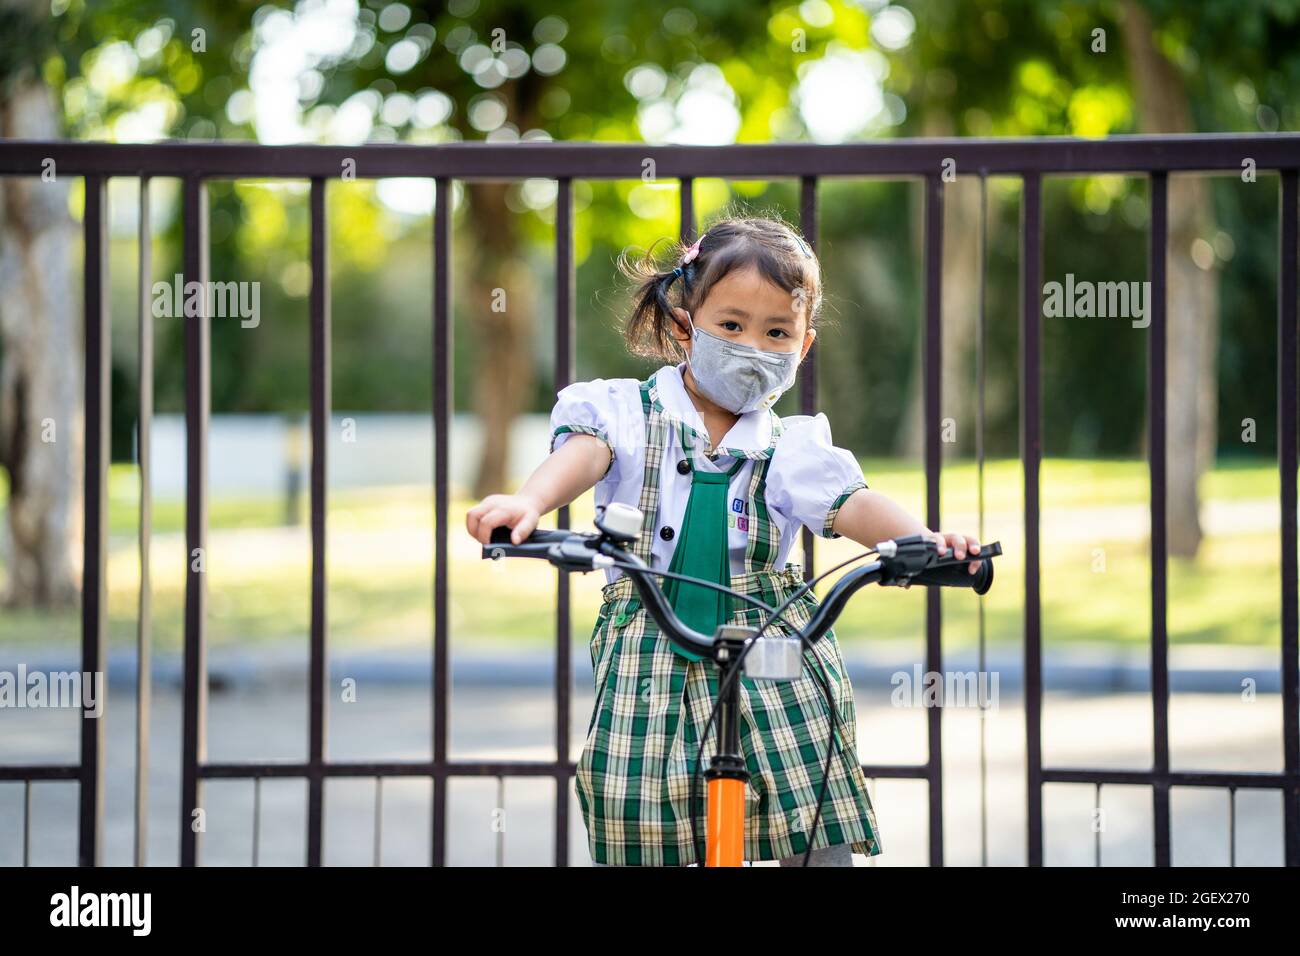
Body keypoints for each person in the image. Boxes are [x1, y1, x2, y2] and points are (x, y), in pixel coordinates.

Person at [466, 215, 982, 867]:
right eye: (731, 326)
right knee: (641, 808)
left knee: (810, 799)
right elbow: (585, 453)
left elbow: (852, 503)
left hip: (772, 640)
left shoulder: (789, 446)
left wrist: (925, 542)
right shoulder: (624, 412)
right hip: (651, 646)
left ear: (803, 345)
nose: (752, 347)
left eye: (776, 333)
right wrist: (528, 502)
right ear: (686, 326)